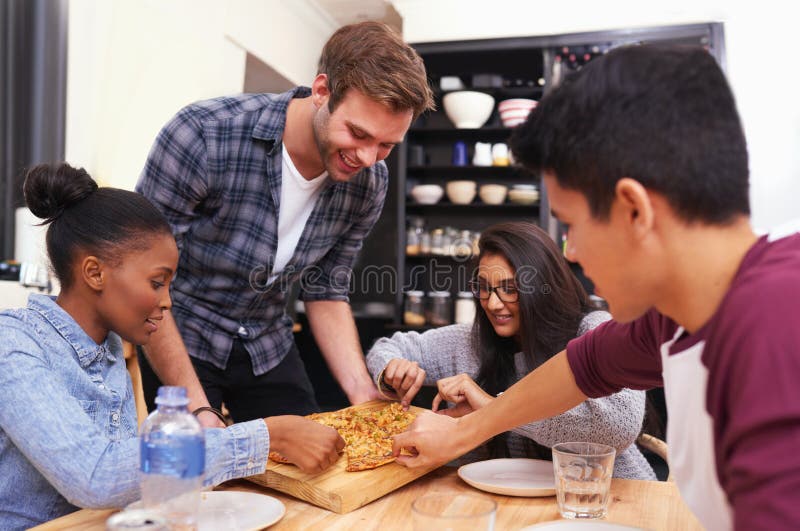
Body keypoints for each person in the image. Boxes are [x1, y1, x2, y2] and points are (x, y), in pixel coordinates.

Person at [391, 44, 800, 530]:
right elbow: (580, 367)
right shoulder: (673, 315)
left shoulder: (775, 325)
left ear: (634, 210)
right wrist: (464, 433)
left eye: (571, 225)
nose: (570, 253)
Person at [0, 163, 344, 530]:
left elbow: (123, 480)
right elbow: (96, 474)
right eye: (157, 282)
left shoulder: (110, 347)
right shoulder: (14, 345)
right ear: (94, 273)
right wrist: (268, 435)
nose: (167, 302)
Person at [135, 21, 434, 426]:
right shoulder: (203, 135)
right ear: (322, 91)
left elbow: (326, 291)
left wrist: (365, 396)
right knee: (196, 474)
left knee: (309, 464)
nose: (368, 158)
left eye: (385, 145)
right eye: (358, 133)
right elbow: (144, 283)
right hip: (180, 333)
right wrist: (200, 411)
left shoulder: (370, 183)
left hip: (267, 343)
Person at [366, 222, 654, 479]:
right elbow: (388, 346)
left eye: (509, 289)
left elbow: (618, 428)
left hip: (612, 498)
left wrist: (489, 407)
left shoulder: (593, 328)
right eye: (484, 288)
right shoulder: (470, 341)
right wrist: (391, 368)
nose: (492, 304)